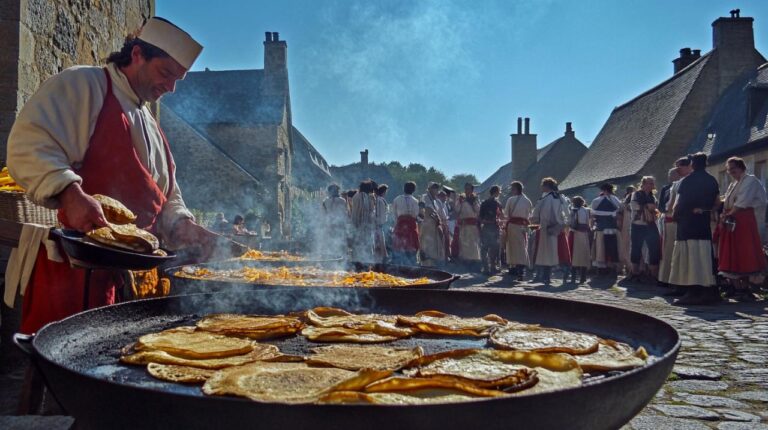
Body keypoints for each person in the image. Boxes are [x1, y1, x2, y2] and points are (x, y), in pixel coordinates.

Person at [5, 17, 225, 334]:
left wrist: (183, 225)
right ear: (137, 54)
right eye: (166, 73)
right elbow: (29, 143)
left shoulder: (152, 125)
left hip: (132, 283)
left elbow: (167, 193)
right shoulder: (83, 85)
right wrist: (70, 193)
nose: (172, 87)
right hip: (75, 271)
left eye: (178, 79)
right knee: (60, 364)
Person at [669, 152, 720, 305]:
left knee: (690, 257)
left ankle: (693, 291)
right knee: (703, 256)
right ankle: (708, 290)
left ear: (692, 164)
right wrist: (704, 210)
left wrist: (676, 215)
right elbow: (717, 203)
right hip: (703, 225)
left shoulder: (687, 180)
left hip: (688, 224)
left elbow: (680, 203)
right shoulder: (712, 180)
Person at [717, 157, 768, 300]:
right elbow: (727, 202)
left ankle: (744, 288)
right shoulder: (734, 184)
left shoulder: (750, 180)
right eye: (729, 169)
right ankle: (736, 287)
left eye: (734, 168)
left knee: (746, 254)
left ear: (741, 167)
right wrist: (724, 214)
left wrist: (728, 215)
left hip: (746, 221)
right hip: (734, 222)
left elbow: (742, 203)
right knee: (733, 254)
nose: (731, 171)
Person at [531, 177, 568, 284]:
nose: (541, 187)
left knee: (547, 253)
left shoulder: (550, 198)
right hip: (552, 227)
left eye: (542, 185)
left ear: (547, 186)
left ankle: (546, 276)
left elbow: (549, 213)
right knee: (549, 252)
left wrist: (538, 221)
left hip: (548, 227)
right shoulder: (555, 197)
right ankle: (544, 275)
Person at [627, 177, 660, 282]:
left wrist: (652, 208)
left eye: (652, 183)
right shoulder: (636, 194)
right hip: (638, 224)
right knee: (636, 248)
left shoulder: (653, 197)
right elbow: (633, 206)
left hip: (650, 224)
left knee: (654, 248)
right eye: (649, 183)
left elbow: (656, 207)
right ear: (644, 184)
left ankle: (653, 274)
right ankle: (634, 272)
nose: (651, 185)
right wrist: (647, 206)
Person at [658, 168, 683, 288]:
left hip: (679, 221)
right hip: (668, 221)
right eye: (669, 174)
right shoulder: (665, 188)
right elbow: (661, 206)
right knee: (667, 250)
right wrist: (668, 210)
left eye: (672, 174)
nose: (670, 177)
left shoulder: (683, 185)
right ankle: (665, 277)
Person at [503, 181, 532, 281]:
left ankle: (514, 268)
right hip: (523, 227)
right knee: (522, 247)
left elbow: (506, 213)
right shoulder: (528, 201)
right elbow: (529, 215)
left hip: (513, 226)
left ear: (516, 189)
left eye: (512, 189)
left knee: (512, 247)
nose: (511, 191)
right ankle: (521, 269)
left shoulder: (511, 200)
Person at [590, 183, 622, 274]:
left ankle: (602, 268)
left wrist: (592, 226)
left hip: (601, 227)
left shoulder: (596, 200)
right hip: (611, 227)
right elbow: (620, 211)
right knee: (612, 247)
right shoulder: (615, 199)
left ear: (603, 190)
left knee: (601, 248)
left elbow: (593, 215)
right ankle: (611, 267)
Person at [451, 183, 481, 270]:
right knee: (464, 244)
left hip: (472, 226)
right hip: (464, 226)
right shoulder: (461, 200)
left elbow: (478, 211)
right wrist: (458, 201)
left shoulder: (475, 199)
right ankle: (465, 262)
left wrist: (472, 202)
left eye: (468, 189)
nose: (466, 190)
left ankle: (474, 262)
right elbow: (457, 210)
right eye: (465, 189)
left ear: (472, 190)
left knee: (473, 244)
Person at [391, 182, 420, 265]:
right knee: (411, 247)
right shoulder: (415, 201)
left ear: (404, 189)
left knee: (398, 247)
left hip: (400, 225)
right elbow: (415, 214)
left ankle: (398, 265)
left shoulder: (396, 199)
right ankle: (411, 266)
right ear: (413, 190)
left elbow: (394, 214)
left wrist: (398, 221)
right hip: (411, 226)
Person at [419, 182, 447, 267]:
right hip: (427, 225)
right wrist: (436, 217)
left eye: (437, 188)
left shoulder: (435, 200)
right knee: (427, 245)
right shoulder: (424, 197)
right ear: (430, 188)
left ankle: (433, 264)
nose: (436, 190)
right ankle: (426, 265)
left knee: (434, 245)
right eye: (434, 188)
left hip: (433, 225)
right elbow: (424, 210)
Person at [479, 185, 503, 274]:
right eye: (498, 192)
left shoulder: (485, 203)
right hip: (491, 228)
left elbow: (480, 217)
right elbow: (499, 216)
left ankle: (488, 267)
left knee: (488, 248)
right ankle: (490, 267)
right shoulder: (495, 204)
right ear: (496, 192)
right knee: (491, 248)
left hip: (488, 228)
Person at [350, 180, 376, 263]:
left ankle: (356, 263)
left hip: (356, 224)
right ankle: (366, 263)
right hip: (366, 226)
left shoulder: (355, 196)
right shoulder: (368, 197)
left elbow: (354, 212)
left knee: (357, 246)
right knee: (366, 246)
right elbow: (370, 212)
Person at [322, 184, 349, 258]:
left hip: (329, 224)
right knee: (340, 243)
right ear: (337, 191)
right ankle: (340, 259)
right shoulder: (342, 201)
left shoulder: (325, 201)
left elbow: (324, 215)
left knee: (331, 242)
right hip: (339, 224)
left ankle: (331, 258)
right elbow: (345, 213)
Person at [569, 196, 591, 284]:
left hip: (576, 234)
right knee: (584, 255)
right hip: (584, 234)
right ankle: (583, 277)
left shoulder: (573, 211)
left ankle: (573, 277)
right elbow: (587, 223)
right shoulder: (586, 210)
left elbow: (572, 223)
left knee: (575, 255)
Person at [617, 185, 635, 273]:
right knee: (628, 246)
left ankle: (629, 267)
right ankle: (630, 267)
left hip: (627, 226)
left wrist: (619, 226)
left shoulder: (623, 204)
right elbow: (619, 216)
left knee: (626, 246)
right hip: (628, 226)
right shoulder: (624, 204)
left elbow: (619, 216)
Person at [374, 184, 390, 263]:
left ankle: (379, 262)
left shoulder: (380, 200)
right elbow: (378, 213)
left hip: (380, 225)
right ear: (383, 191)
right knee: (379, 246)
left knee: (380, 245)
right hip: (378, 226)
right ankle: (378, 262)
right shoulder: (379, 200)